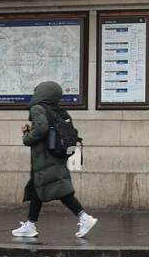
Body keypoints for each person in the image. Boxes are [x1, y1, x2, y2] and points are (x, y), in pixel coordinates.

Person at [11, 80, 98, 238]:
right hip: (55, 154)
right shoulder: (56, 110)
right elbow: (47, 128)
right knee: (39, 189)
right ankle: (30, 225)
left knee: (61, 190)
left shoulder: (37, 108)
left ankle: (84, 217)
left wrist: (26, 136)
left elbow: (42, 129)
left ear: (41, 93)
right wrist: (34, 130)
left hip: (45, 157)